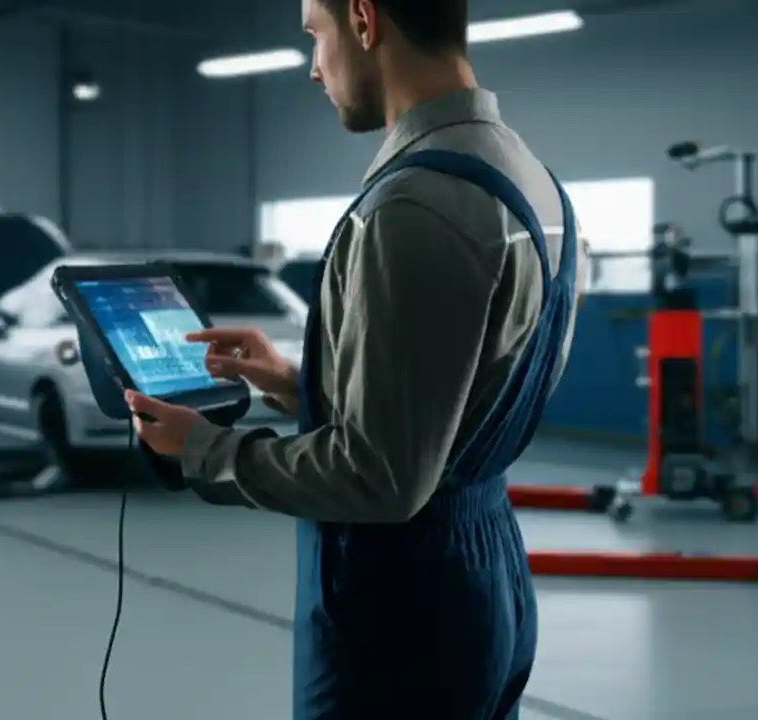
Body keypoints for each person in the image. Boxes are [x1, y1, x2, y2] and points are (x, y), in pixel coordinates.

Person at [126, 0, 585, 717]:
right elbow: (467, 402)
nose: (314, 67)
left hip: (401, 602)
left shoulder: (412, 205)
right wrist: (298, 384)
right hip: (486, 572)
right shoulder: (536, 182)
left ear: (365, 21)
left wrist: (202, 451)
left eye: (316, 34)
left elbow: (382, 479)